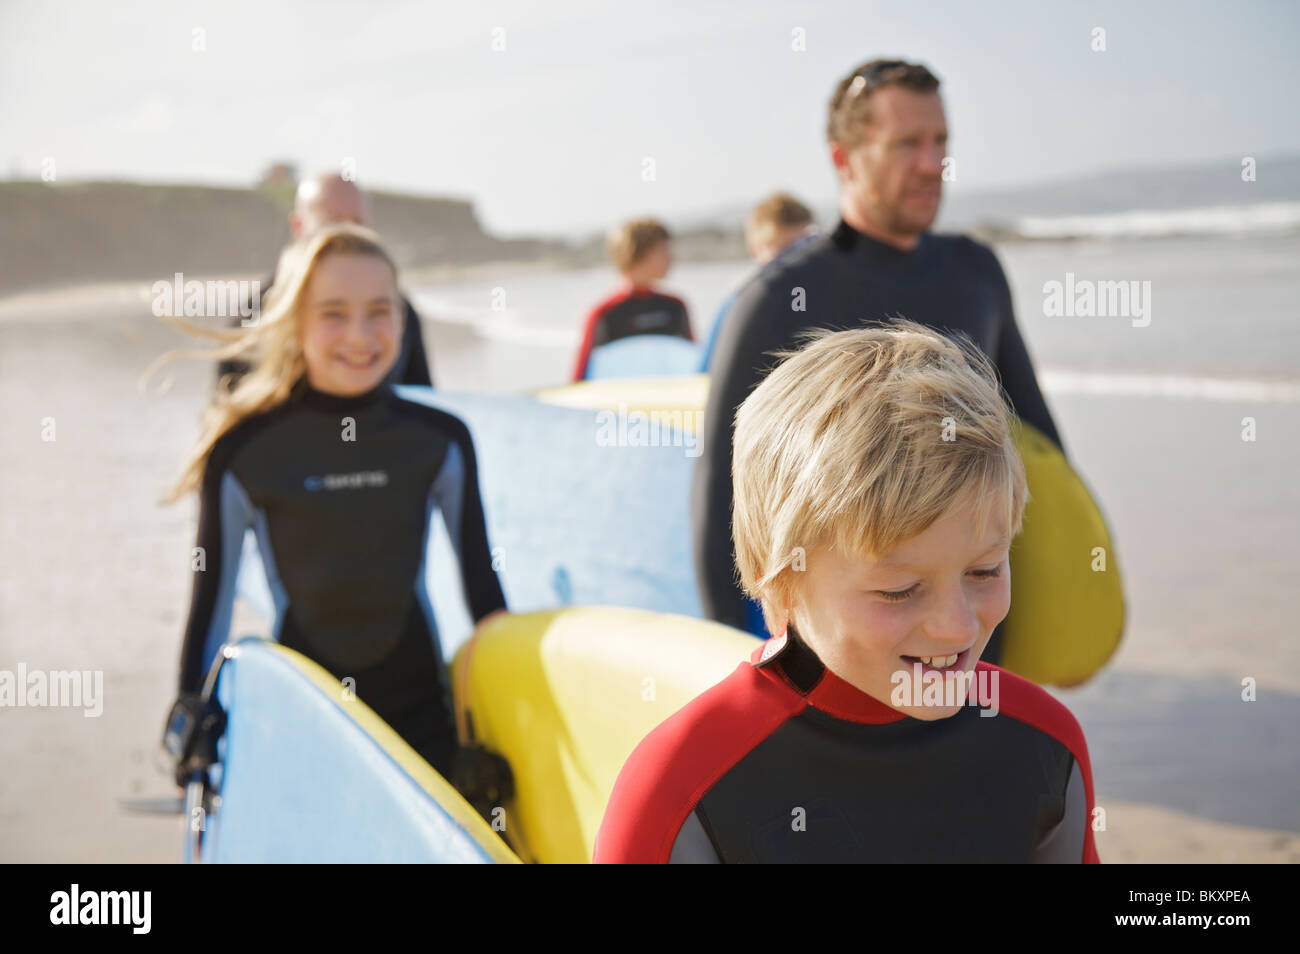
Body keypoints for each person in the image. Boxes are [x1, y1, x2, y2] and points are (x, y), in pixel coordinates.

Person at [596, 323, 1100, 863]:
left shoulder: (1046, 747)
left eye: (983, 572)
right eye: (899, 590)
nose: (956, 625)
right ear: (779, 577)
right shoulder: (684, 788)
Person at [692, 59, 1063, 663]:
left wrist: (1062, 621)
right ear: (844, 159)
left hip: (972, 648)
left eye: (940, 141)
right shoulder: (779, 297)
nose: (931, 163)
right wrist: (741, 659)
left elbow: (1039, 450)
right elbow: (720, 499)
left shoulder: (976, 272)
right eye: (905, 144)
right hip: (843, 667)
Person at [161, 224, 504, 788]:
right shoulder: (244, 451)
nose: (360, 335)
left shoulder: (440, 439)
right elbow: (211, 602)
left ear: (403, 320)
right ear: (295, 322)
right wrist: (190, 715)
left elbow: (483, 591)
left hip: (426, 728)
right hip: (307, 728)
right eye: (333, 314)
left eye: (380, 311)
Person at [216, 172, 433, 392]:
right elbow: (226, 398)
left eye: (357, 223)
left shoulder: (397, 308)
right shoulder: (259, 310)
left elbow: (423, 394)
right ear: (298, 226)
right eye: (334, 223)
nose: (347, 235)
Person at [698, 193, 819, 371]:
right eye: (784, 251)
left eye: (805, 247)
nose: (797, 260)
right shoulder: (739, 306)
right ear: (754, 250)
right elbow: (707, 373)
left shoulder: (835, 297)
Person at [570, 218, 693, 382]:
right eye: (663, 250)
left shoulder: (676, 306)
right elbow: (579, 380)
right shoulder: (604, 313)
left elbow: (695, 366)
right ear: (638, 253)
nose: (671, 258)